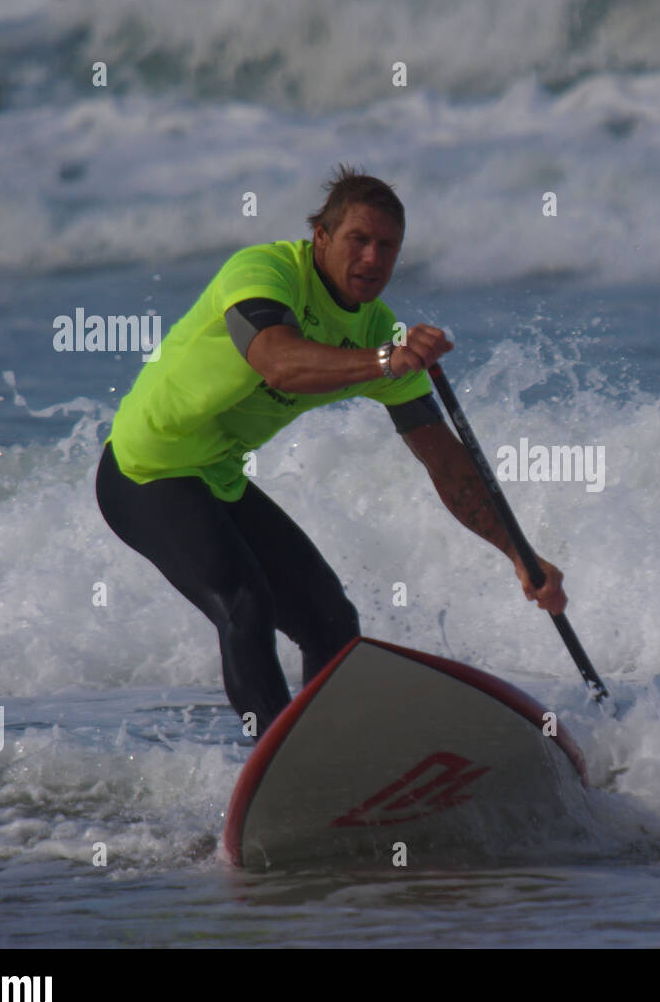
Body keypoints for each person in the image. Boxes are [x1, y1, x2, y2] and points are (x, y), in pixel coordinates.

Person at [95, 165, 566, 738]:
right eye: (358, 240)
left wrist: (518, 553)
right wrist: (384, 362)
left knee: (331, 621)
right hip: (146, 469)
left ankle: (328, 765)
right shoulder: (263, 274)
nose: (372, 258)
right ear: (321, 237)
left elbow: (446, 462)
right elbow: (278, 360)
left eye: (386, 246)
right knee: (245, 604)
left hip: (217, 477)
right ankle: (278, 759)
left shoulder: (379, 331)